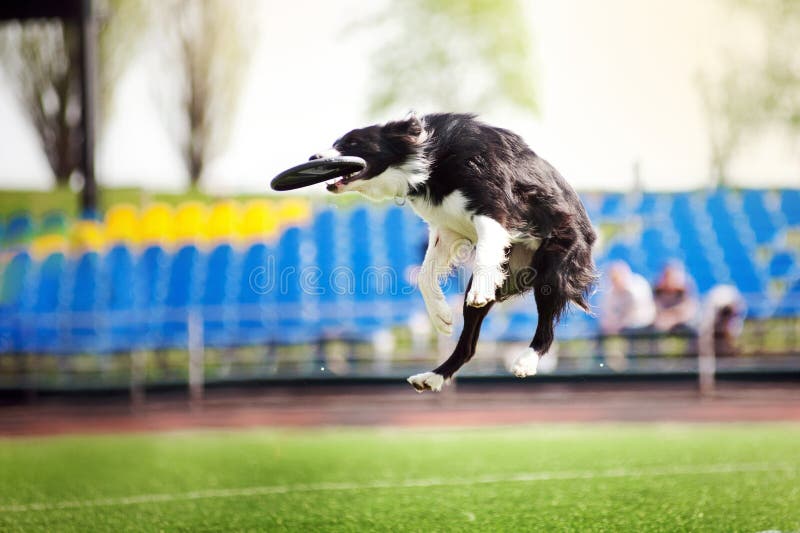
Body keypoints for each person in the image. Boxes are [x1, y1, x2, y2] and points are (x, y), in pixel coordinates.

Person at [599, 261, 656, 335]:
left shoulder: (637, 287)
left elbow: (636, 315)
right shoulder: (610, 291)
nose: (614, 281)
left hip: (641, 323)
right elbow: (607, 312)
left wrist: (618, 324)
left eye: (616, 278)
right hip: (621, 325)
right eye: (613, 278)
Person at [652, 261, 699, 333]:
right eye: (665, 276)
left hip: (681, 326)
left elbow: (689, 310)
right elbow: (653, 310)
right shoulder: (656, 291)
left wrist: (672, 318)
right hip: (659, 326)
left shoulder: (685, 291)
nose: (668, 279)